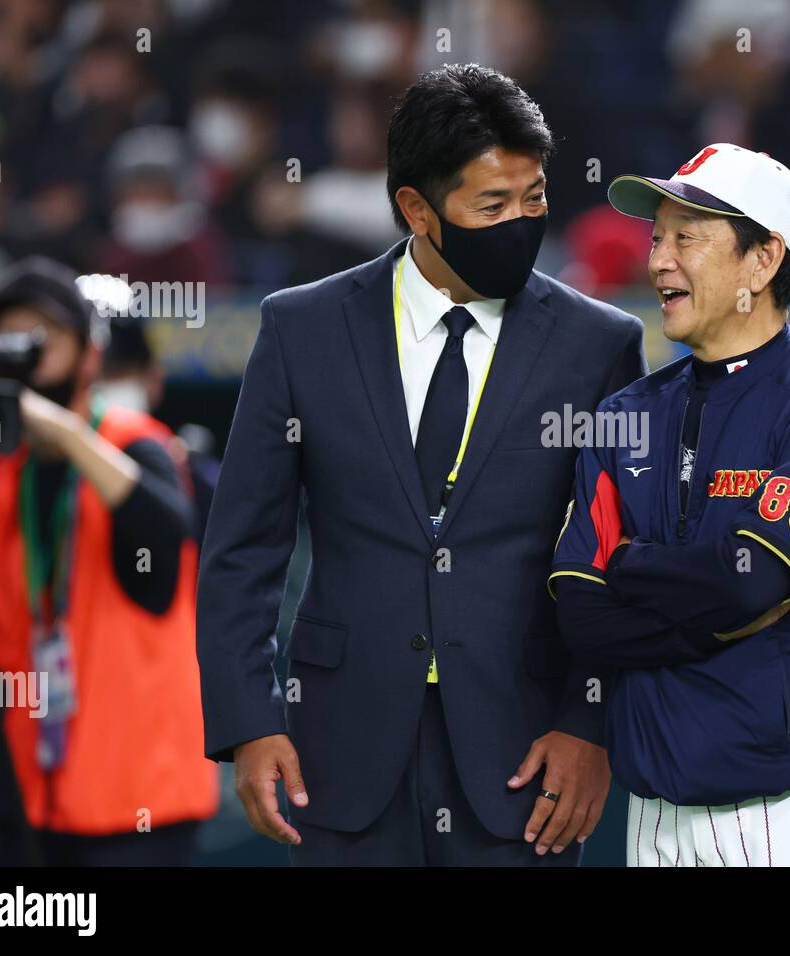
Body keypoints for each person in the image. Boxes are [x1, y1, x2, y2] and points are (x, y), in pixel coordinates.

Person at [196, 64, 646, 866]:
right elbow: (242, 550)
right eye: (492, 204)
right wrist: (250, 722)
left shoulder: (599, 343)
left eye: (534, 196)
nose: (522, 219)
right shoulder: (302, 330)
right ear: (416, 208)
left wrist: (589, 725)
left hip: (526, 758)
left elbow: (620, 557)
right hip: (338, 752)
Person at [552, 144, 790, 866]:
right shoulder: (626, 413)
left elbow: (749, 580)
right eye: (657, 237)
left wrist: (635, 568)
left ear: (763, 260)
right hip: (655, 803)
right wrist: (716, 611)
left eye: (687, 237)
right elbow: (580, 614)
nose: (658, 262)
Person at [0, 257, 217, 866]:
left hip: (135, 801)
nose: (25, 359)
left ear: (88, 352)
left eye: (40, 339)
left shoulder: (136, 444)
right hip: (29, 791)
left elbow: (162, 551)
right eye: (6, 340)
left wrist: (67, 433)